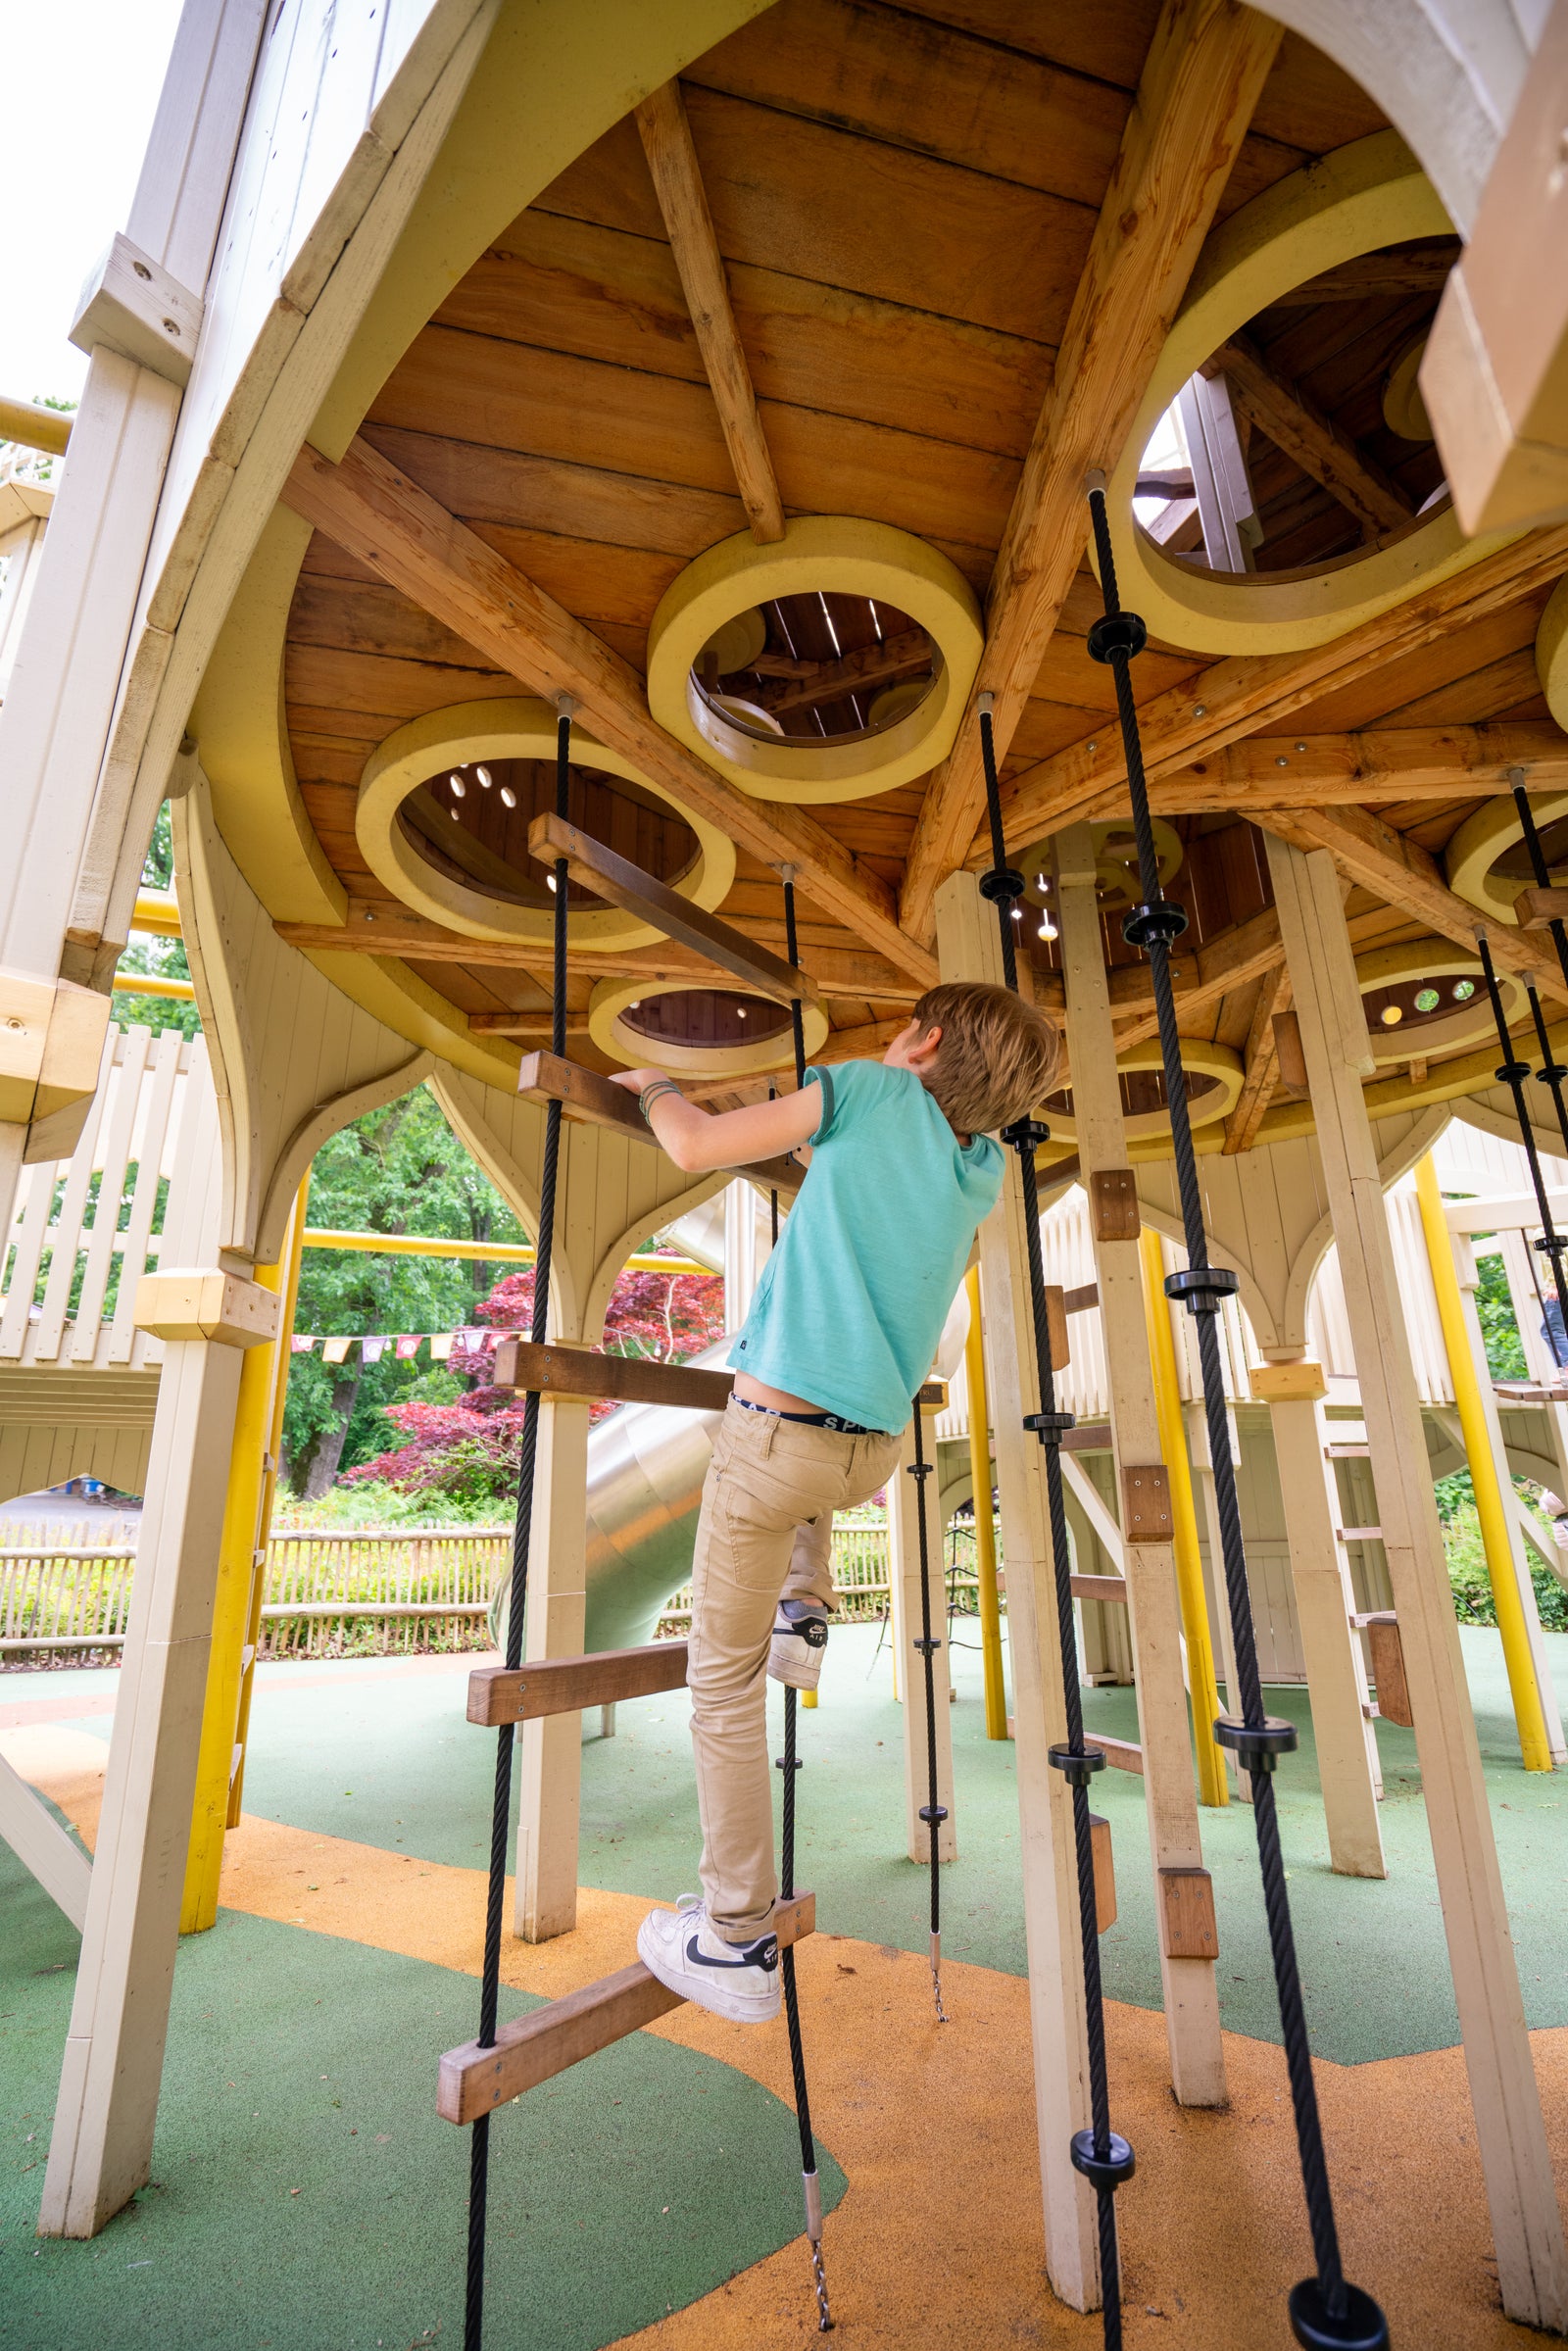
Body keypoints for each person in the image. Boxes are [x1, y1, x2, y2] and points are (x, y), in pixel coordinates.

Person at [608, 982, 1059, 2024]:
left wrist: (657, 1086)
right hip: (865, 1456)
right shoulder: (980, 1169)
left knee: (718, 1686)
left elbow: (694, 1144)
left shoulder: (865, 1091)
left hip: (776, 1444)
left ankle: (731, 1936)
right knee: (793, 1504)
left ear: (924, 1040)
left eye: (901, 1033)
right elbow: (851, 1172)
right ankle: (801, 1610)